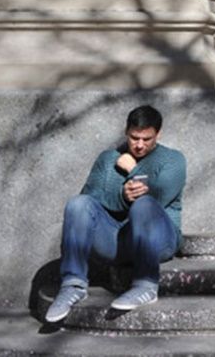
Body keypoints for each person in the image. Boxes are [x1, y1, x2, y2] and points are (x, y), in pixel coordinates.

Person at [44, 105, 186, 322]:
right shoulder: (107, 159)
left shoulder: (173, 160)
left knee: (144, 205)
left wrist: (132, 169)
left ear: (159, 134)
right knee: (78, 205)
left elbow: (158, 196)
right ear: (126, 132)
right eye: (134, 137)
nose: (139, 145)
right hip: (116, 241)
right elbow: (90, 199)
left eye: (146, 139)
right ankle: (73, 285)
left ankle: (146, 285)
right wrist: (122, 196)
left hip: (159, 242)